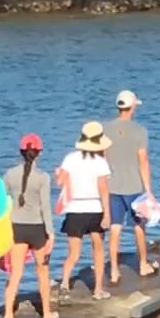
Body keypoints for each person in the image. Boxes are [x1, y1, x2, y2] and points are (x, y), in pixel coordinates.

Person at [1, 133, 58, 318]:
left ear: (21, 152)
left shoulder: (9, 175)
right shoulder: (42, 177)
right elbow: (45, 207)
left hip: (16, 227)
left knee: (16, 273)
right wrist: (50, 233)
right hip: (37, 228)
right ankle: (47, 313)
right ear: (39, 153)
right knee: (42, 271)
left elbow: (2, 202)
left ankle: (8, 315)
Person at [102, 89, 157, 284]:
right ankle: (143, 264)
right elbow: (143, 161)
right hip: (134, 186)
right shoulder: (140, 131)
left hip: (112, 186)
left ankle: (114, 270)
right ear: (132, 107)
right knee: (139, 227)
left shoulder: (105, 129)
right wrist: (148, 190)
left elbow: (103, 158)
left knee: (115, 229)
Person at [54, 121, 112, 301]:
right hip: (95, 208)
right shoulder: (100, 163)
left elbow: (60, 182)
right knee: (98, 250)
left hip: (75, 209)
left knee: (74, 252)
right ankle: (98, 289)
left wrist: (59, 174)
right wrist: (107, 214)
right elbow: (103, 190)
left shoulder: (71, 158)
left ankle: (64, 283)